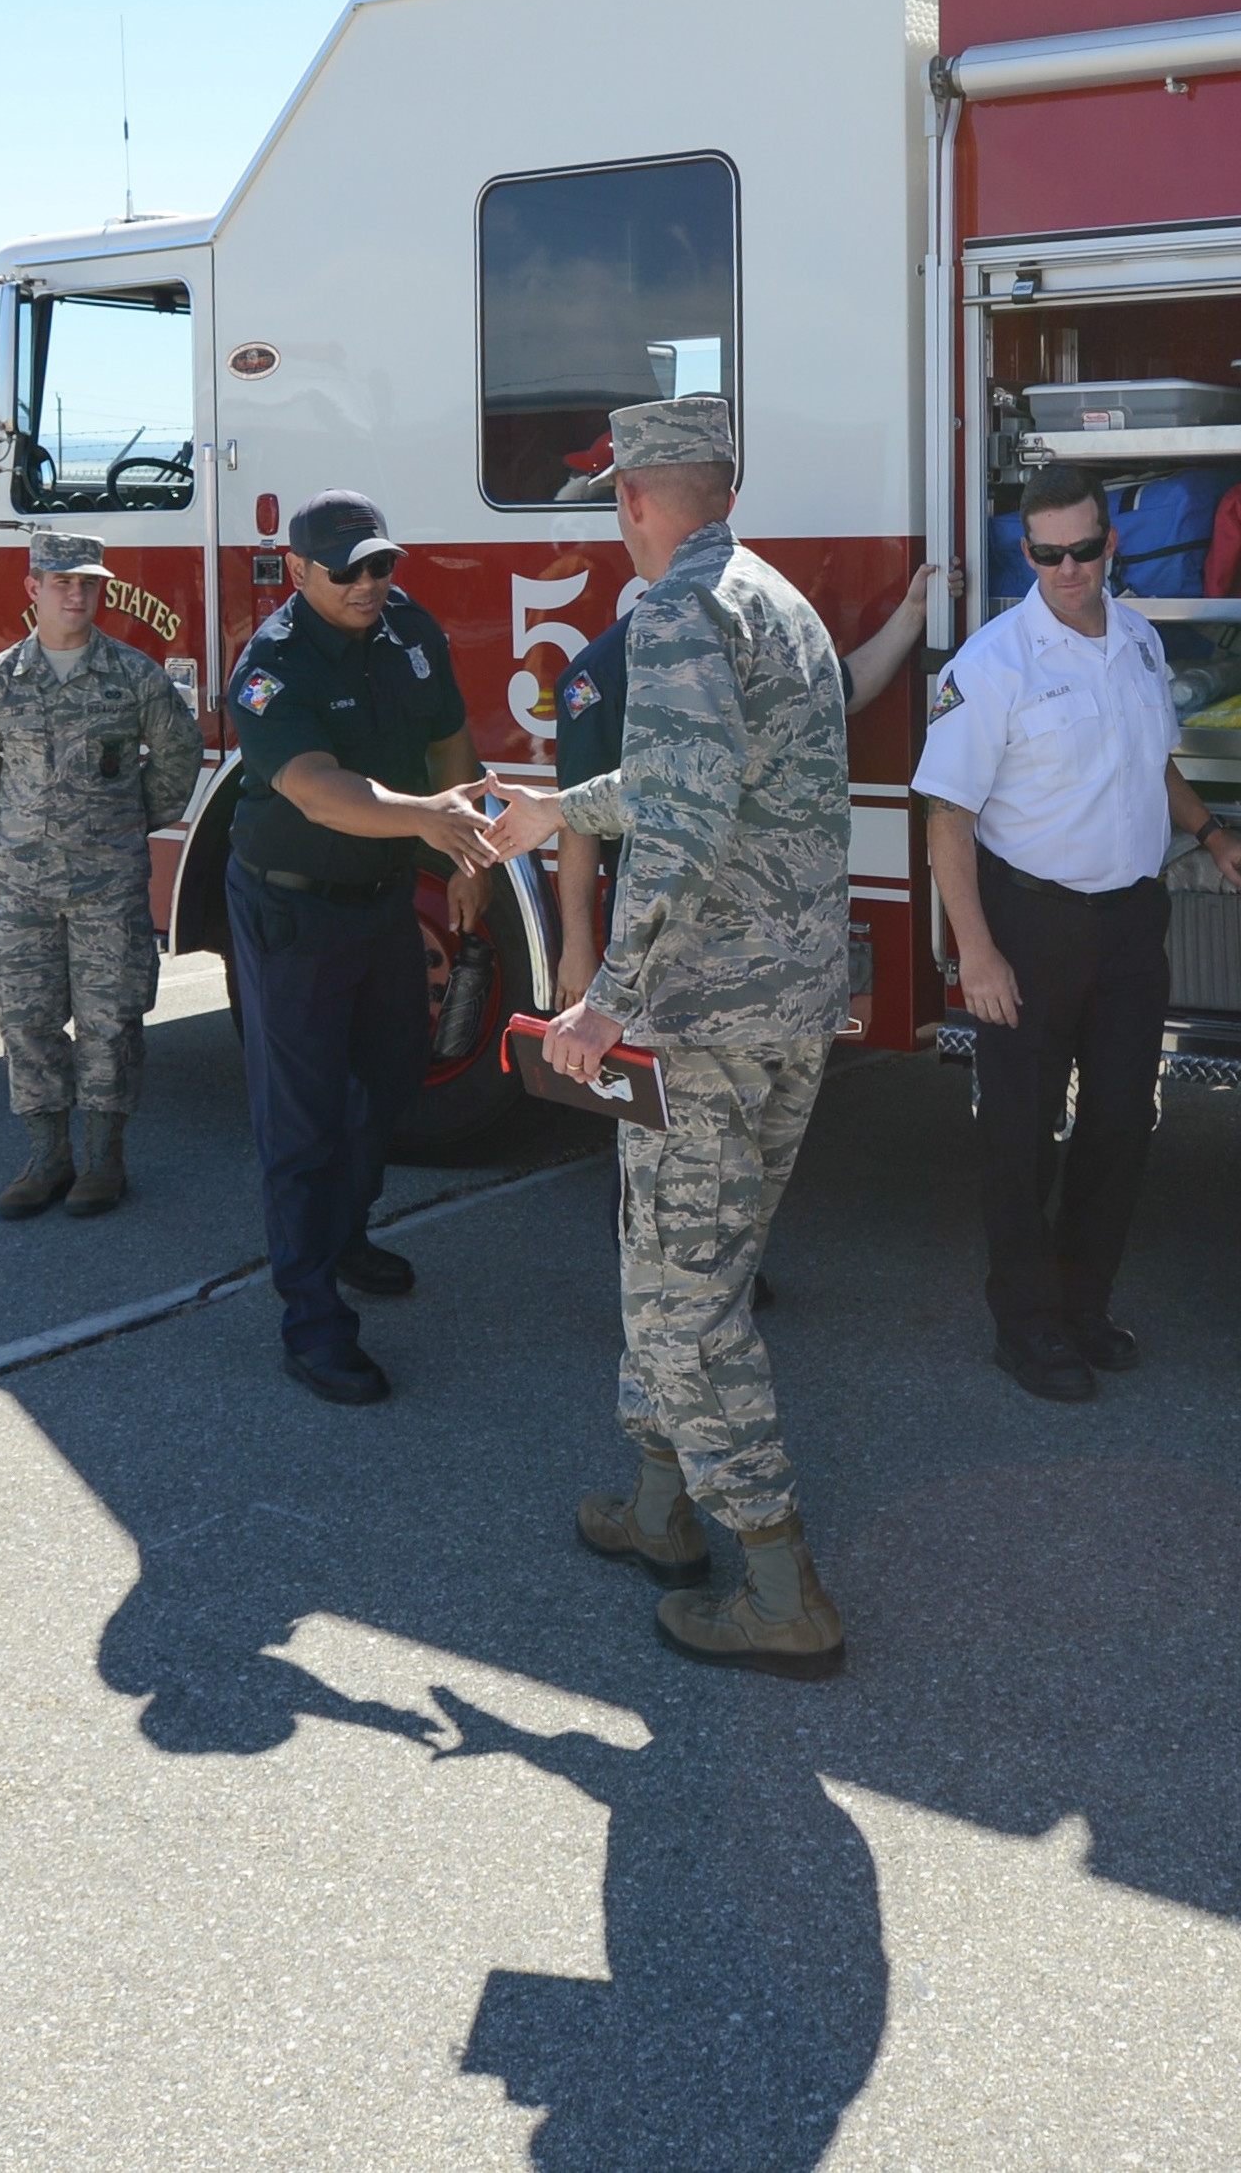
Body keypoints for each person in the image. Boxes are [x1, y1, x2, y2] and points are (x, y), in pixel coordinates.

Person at [487, 397, 857, 1676]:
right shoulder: (770, 598)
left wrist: (604, 1002)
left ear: (640, 498)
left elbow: (685, 827)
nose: (617, 520)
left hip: (702, 1018)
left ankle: (775, 1585)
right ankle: (658, 1510)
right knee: (682, 1261)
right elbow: (693, 776)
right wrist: (557, 812)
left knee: (688, 1303)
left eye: (616, 499)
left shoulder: (676, 612)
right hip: (789, 1005)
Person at [918, 463, 1241, 1400]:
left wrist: (1210, 830)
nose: (1067, 569)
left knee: (1120, 1125)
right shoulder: (990, 665)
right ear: (1025, 552)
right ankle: (1025, 1327)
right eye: (1045, 553)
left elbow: (1151, 765)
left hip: (1127, 925)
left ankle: (1082, 1306)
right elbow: (945, 815)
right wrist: (976, 950)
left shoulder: (1142, 643)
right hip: (1029, 927)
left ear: (1110, 545)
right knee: (1022, 1139)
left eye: (1082, 549)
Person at [223, 491, 491, 1399]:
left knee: (392, 1076)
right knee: (298, 1120)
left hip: (380, 901)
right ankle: (312, 1320)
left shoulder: (408, 628)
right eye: (349, 571)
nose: (372, 583)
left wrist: (466, 852)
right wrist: (430, 818)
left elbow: (449, 735)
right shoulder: (270, 667)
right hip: (291, 912)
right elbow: (316, 789)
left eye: (382, 564)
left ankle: (345, 1236)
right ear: (297, 572)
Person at [0, 532, 196, 1220]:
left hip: (107, 886)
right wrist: (12, 839)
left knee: (110, 1020)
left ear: (101, 591)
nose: (74, 594)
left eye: (86, 583)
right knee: (25, 1018)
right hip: (23, 889)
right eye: (59, 582)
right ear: (33, 589)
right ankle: (47, 1158)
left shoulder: (134, 676)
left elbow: (177, 759)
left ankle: (104, 1160)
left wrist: (120, 826)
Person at [551, 562, 932, 994]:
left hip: (762, 933)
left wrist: (913, 613)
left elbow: (845, 688)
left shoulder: (749, 651)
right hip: (660, 940)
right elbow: (576, 820)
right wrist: (578, 947)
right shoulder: (602, 674)